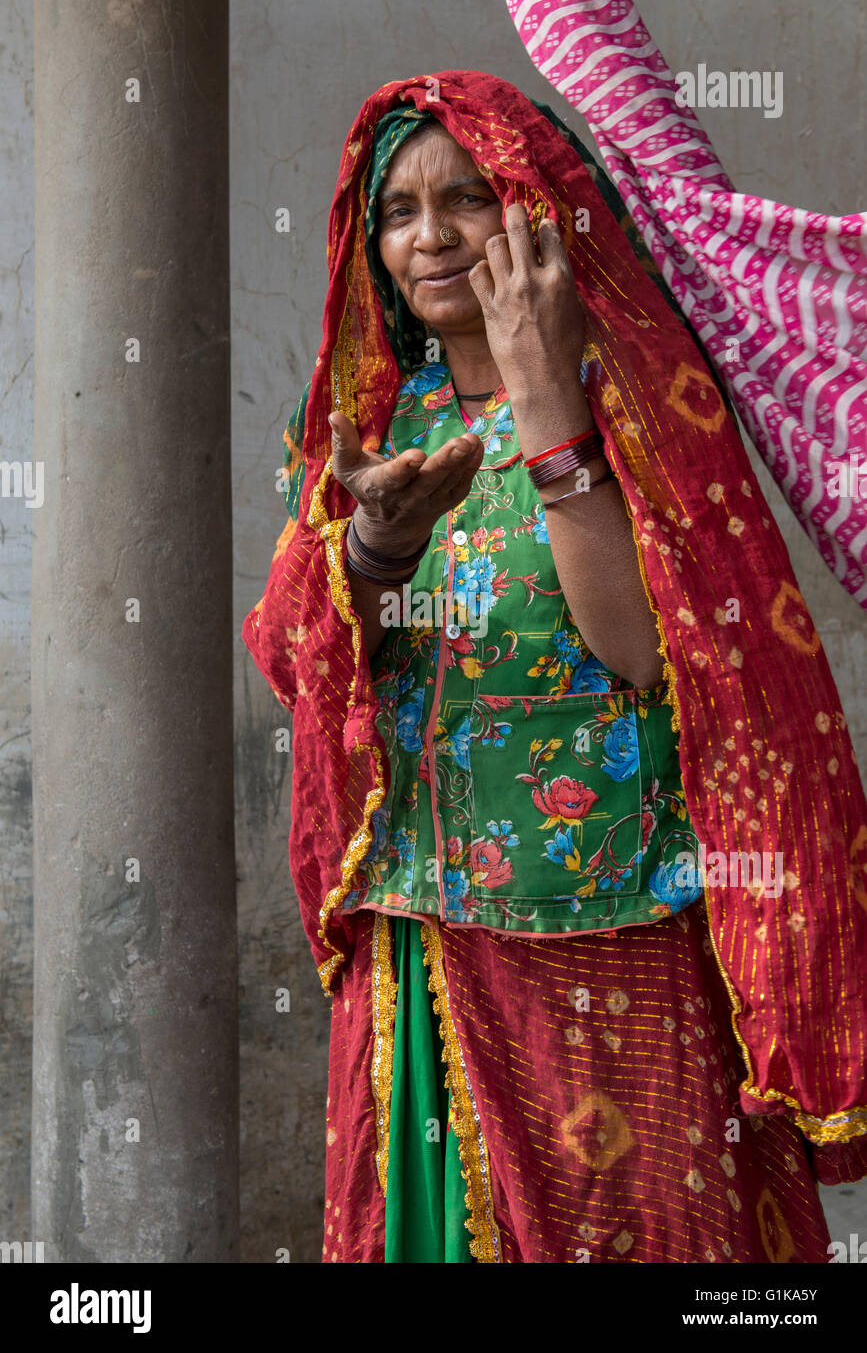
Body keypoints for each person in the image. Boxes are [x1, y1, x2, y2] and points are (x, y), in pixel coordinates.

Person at [243, 71, 867, 1263]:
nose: (430, 237)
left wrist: (543, 405)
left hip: (616, 930)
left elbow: (638, 649)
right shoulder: (360, 424)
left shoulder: (643, 405)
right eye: (399, 210)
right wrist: (378, 543)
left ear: (536, 212)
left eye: (466, 200)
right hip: (425, 933)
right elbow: (298, 657)